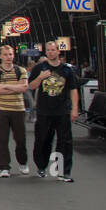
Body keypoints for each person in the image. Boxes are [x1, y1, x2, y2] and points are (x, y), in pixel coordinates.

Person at [27, 40, 79, 181]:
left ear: (58, 51)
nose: (50, 52)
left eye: (53, 50)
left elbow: (73, 89)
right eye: (48, 50)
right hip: (44, 111)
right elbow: (31, 86)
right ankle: (42, 167)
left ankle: (62, 170)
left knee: (65, 141)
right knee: (43, 140)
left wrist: (75, 108)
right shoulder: (40, 68)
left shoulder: (67, 70)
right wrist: (41, 77)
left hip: (62, 111)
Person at [0, 45, 29, 177]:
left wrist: (4, 85)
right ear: (0, 56)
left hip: (18, 109)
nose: (8, 57)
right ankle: (4, 167)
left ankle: (23, 162)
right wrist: (15, 87)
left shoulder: (21, 70)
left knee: (20, 139)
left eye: (10, 54)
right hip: (1, 109)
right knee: (2, 139)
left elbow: (24, 88)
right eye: (5, 54)